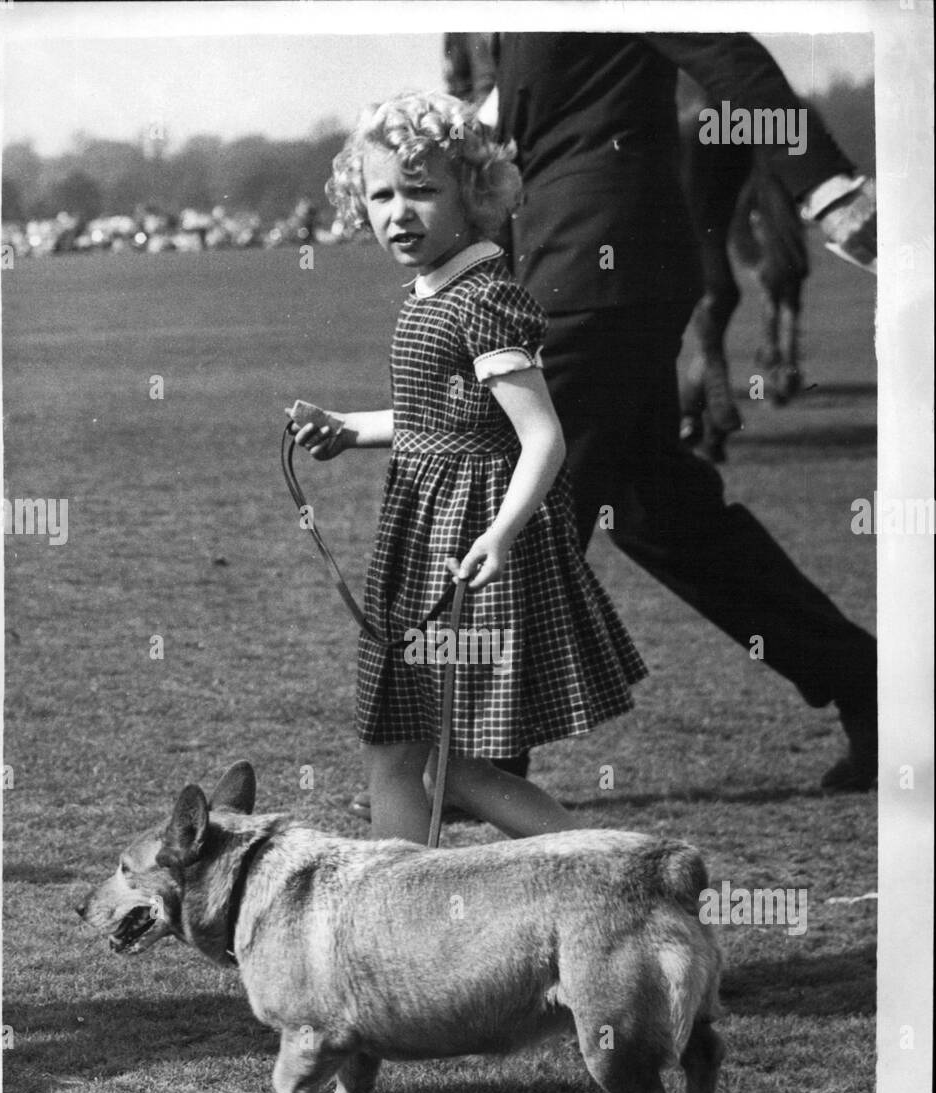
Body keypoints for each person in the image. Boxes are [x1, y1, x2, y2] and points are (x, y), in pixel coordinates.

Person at [447, 31, 878, 794]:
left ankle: (481, 769)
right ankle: (870, 686)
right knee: (659, 510)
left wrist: (826, 185)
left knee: (529, 503)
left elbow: (728, 55)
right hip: (581, 266)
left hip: (599, 267)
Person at [290, 92, 647, 843]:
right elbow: (441, 422)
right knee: (415, 754)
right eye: (382, 194)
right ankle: (417, 917)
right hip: (421, 535)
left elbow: (542, 436)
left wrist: (502, 532)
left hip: (465, 543)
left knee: (440, 763)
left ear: (476, 195)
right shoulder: (433, 296)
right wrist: (347, 428)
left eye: (422, 191)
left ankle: (604, 871)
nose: (399, 213)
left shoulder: (482, 301)